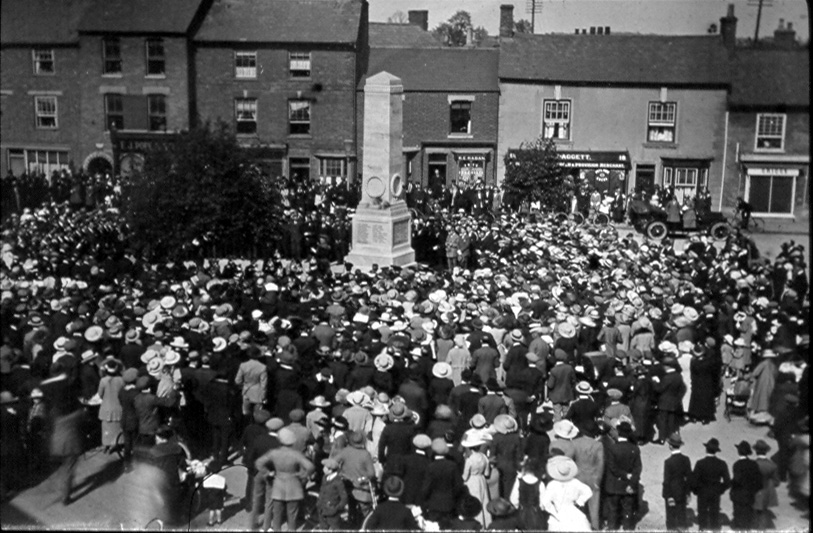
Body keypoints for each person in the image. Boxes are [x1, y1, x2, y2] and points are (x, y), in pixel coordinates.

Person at [254, 427, 315, 533]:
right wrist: (303, 475)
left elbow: (259, 463)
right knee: (292, 515)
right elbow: (310, 467)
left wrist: (268, 473)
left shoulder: (273, 453)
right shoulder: (296, 454)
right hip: (293, 485)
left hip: (278, 485)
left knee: (277, 514)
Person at [603, 421, 642, 530]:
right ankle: (627, 528)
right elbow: (637, 469)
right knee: (628, 510)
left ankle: (612, 528)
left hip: (614, 485)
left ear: (618, 432)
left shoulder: (612, 448)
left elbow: (612, 467)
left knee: (613, 510)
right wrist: (632, 481)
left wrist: (624, 475)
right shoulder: (634, 448)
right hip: (628, 486)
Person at [540, 455, 593, 532]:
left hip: (558, 514)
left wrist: (554, 512)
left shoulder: (552, 484)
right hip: (573, 512)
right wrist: (579, 502)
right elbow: (588, 492)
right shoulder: (575, 482)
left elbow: (545, 502)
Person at [692, 438, 731, 530]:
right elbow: (727, 482)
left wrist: (697, 491)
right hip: (715, 493)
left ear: (706, 449)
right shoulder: (722, 464)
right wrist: (720, 490)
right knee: (714, 516)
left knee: (702, 516)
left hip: (702, 493)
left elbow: (694, 481)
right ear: (716, 451)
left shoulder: (700, 463)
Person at [662, 432, 692, 531]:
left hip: (671, 492)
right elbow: (689, 478)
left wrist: (668, 495)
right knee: (682, 516)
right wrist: (688, 493)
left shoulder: (668, 462)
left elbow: (667, 481)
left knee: (671, 518)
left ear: (670, 446)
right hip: (682, 492)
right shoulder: (686, 459)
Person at [730, 440, 762, 530]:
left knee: (738, 517)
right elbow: (759, 482)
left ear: (738, 452)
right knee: (748, 517)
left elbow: (737, 480)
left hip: (738, 495)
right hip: (749, 495)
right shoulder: (753, 464)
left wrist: (731, 484)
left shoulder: (737, 465)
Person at [508, 457, 547, 531]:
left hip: (522, 513)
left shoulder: (519, 482)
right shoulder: (540, 483)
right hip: (536, 514)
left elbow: (513, 499)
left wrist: (518, 506)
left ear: (524, 469)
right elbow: (543, 503)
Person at [752, 439, 780, 529]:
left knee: (754, 512)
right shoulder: (772, 465)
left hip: (755, 490)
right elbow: (776, 482)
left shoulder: (753, 464)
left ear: (756, 451)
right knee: (763, 512)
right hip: (767, 491)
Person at [316, 458, 347, 530]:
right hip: (322, 509)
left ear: (330, 470)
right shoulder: (325, 477)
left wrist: (337, 508)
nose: (323, 469)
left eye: (325, 467)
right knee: (323, 528)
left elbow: (344, 498)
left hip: (332, 512)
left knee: (335, 528)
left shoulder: (338, 482)